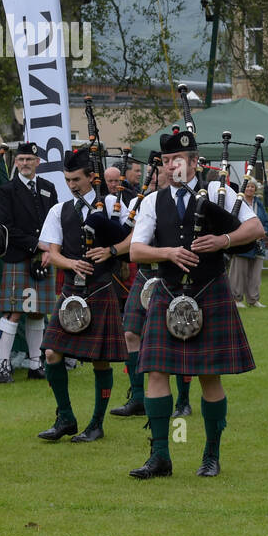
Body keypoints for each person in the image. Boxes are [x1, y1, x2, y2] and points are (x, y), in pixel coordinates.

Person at [128, 129, 263, 478]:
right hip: (169, 290)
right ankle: (160, 456)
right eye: (168, 160)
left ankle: (211, 455)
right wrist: (167, 252)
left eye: (181, 160)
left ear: (192, 162)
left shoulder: (219, 191)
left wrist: (223, 239)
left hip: (209, 290)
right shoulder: (152, 202)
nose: (174, 165)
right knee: (155, 372)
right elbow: (136, 250)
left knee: (208, 376)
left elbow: (256, 228)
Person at [38, 148, 130, 443]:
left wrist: (112, 250)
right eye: (67, 179)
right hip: (71, 290)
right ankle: (65, 417)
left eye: (76, 179)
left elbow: (135, 237)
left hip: (102, 287)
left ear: (92, 176)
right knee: (52, 352)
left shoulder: (113, 204)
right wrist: (71, 262)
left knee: (100, 360)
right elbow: (52, 253)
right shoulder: (59, 210)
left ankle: (96, 423)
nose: (72, 185)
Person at [0, 141, 57, 383]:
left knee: (38, 313)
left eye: (29, 159)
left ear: (37, 162)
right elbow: (6, 227)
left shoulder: (48, 188)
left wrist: (51, 248)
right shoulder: (7, 190)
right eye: (20, 160)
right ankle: (4, 366)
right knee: (14, 312)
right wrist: (36, 244)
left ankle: (35, 364)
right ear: (16, 163)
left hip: (44, 257)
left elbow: (55, 222)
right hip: (19, 256)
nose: (24, 163)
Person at [113, 153, 166, 419]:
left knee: (177, 336)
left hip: (171, 273)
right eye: (152, 171)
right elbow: (130, 238)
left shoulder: (187, 200)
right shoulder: (137, 201)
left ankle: (182, 401)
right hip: (145, 272)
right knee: (130, 334)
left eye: (159, 171)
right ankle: (137, 397)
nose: (154, 176)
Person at [229, 178, 268, 308]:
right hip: (242, 243)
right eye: (247, 187)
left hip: (258, 244)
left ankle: (253, 300)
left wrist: (263, 233)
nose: (250, 189)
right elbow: (233, 222)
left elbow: (266, 223)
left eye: (252, 187)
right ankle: (236, 299)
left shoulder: (259, 203)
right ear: (243, 188)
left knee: (256, 273)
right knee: (238, 272)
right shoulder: (238, 203)